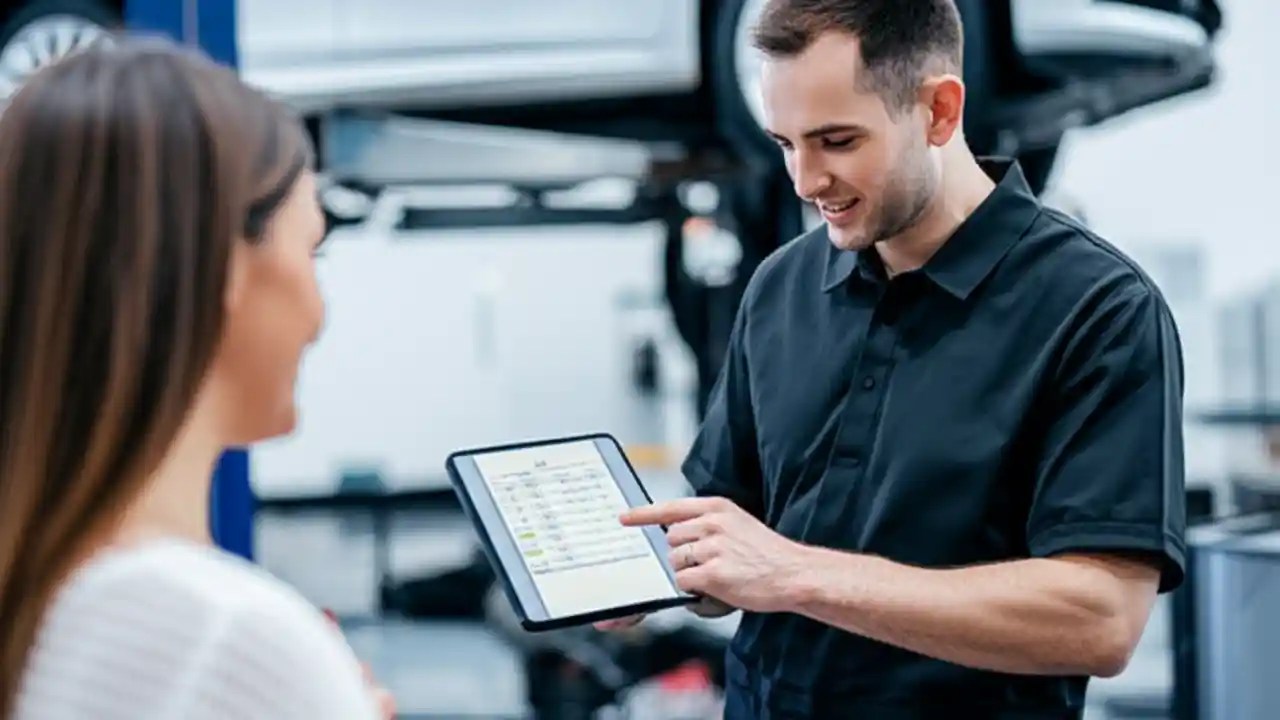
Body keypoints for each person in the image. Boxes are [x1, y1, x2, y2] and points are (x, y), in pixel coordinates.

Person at [599, 0, 1186, 717]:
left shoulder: (1097, 309)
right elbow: (738, 544)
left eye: (837, 141)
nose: (805, 181)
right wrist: (658, 570)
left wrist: (798, 574)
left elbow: (1100, 621)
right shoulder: (780, 287)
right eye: (785, 143)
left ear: (939, 111)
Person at [0, 40, 394, 719]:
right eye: (312, 250)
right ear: (225, 268)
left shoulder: (44, 601)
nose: (319, 314)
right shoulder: (229, 636)